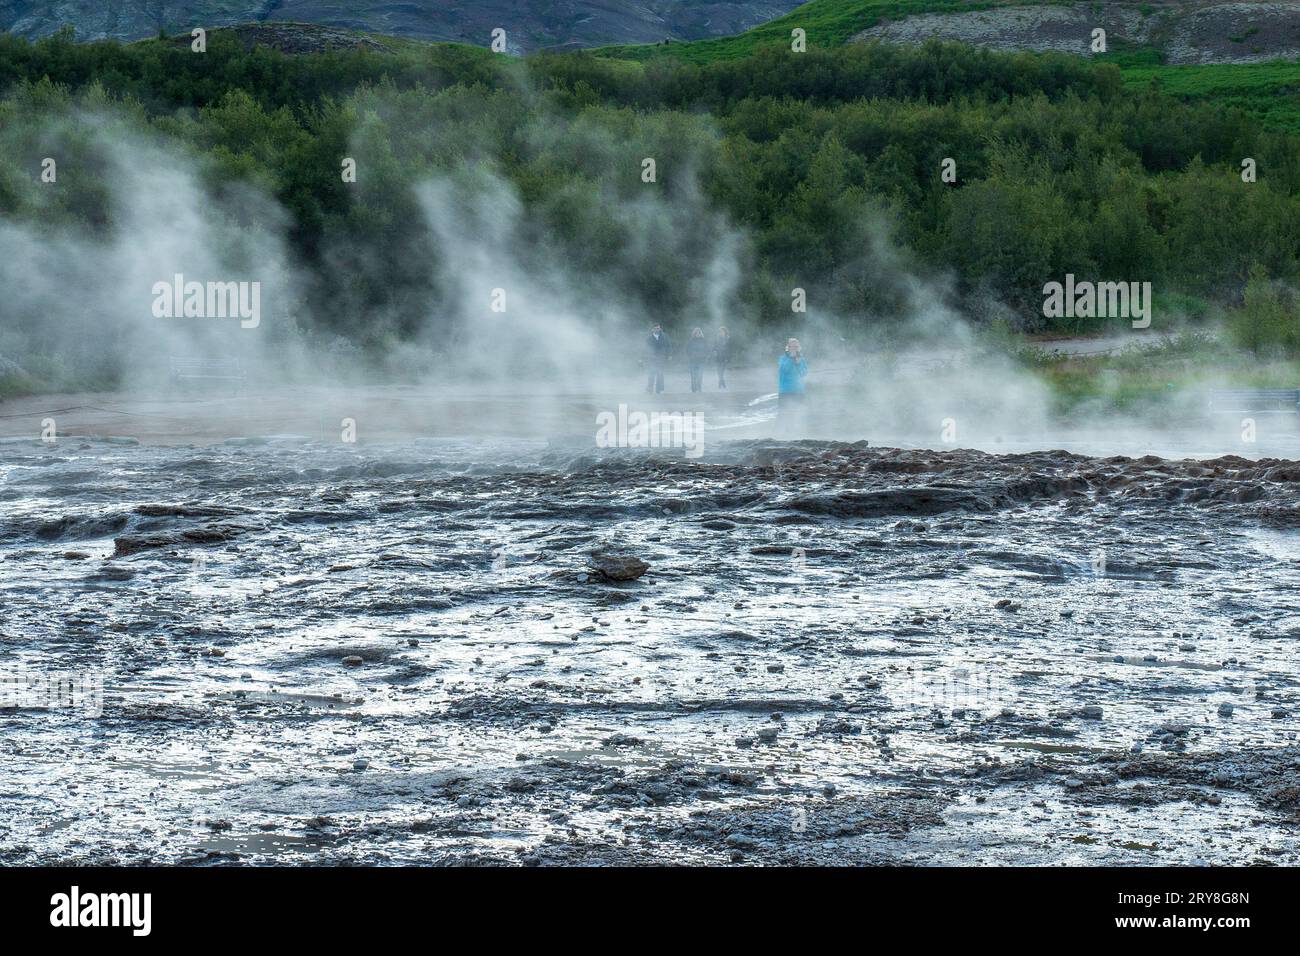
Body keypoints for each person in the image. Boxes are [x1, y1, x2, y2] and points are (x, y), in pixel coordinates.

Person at [777, 338, 807, 410]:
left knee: (800, 414)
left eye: (796, 347)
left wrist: (798, 363)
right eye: (792, 347)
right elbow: (785, 370)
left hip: (799, 392)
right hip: (786, 392)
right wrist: (791, 358)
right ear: (788, 348)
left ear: (799, 348)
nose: (794, 349)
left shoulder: (801, 359)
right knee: (784, 415)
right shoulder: (783, 358)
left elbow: (804, 373)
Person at [645, 323, 671, 393]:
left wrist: (669, 355)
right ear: (652, 329)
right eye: (656, 328)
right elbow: (645, 349)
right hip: (651, 358)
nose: (658, 329)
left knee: (660, 374)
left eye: (659, 328)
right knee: (651, 374)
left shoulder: (665, 336)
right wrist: (642, 358)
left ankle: (659, 390)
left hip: (661, 358)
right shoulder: (648, 338)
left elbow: (668, 346)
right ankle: (650, 388)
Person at [687, 327, 709, 393]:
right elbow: (687, 350)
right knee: (693, 376)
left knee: (700, 375)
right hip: (692, 361)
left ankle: (699, 388)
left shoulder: (704, 340)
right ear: (694, 333)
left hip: (701, 361)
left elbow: (707, 350)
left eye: (699, 333)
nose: (697, 334)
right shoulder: (691, 341)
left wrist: (704, 356)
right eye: (696, 333)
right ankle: (694, 389)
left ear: (700, 333)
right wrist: (691, 356)